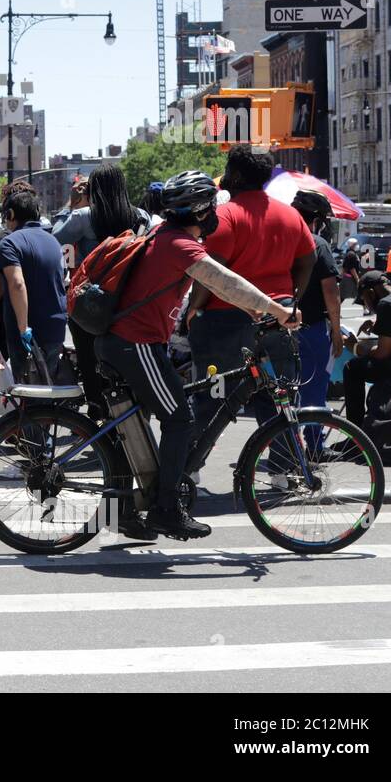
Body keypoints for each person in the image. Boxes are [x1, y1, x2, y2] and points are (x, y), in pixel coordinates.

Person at [98, 171, 299, 541]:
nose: (217, 215)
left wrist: (255, 310)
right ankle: (165, 509)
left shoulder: (165, 235)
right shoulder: (180, 245)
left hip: (131, 342)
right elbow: (224, 281)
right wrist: (276, 309)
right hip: (136, 343)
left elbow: (221, 285)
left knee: (135, 427)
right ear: (201, 210)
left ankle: (126, 511)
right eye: (213, 207)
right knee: (180, 420)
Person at [186, 145, 315, 430]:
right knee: (279, 400)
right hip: (277, 320)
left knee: (212, 398)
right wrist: (291, 301)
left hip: (226, 320)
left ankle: (190, 469)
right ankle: (283, 469)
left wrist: (194, 309)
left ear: (235, 175)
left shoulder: (225, 216)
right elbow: (309, 258)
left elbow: (210, 274)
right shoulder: (291, 215)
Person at [55, 164, 149, 418]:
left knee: (89, 362)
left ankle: (98, 412)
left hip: (90, 305)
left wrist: (71, 204)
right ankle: (127, 416)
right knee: (125, 362)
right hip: (129, 303)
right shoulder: (141, 217)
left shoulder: (83, 217)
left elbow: (53, 242)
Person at [0, 189, 66, 382]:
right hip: (56, 326)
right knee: (47, 388)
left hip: (28, 331)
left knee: (28, 391)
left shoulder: (10, 242)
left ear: (10, 214)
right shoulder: (53, 241)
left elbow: (17, 283)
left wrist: (23, 327)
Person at [289, 191, 344, 429]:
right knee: (313, 390)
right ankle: (314, 447)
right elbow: (331, 292)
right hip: (311, 329)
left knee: (283, 392)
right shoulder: (317, 244)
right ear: (317, 219)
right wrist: (336, 330)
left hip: (277, 328)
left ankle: (282, 447)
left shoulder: (275, 240)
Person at [342, 270, 391, 428]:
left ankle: (355, 435)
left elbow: (382, 354)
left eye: (364, 301)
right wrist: (379, 323)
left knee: (353, 368)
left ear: (371, 293)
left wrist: (355, 347)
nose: (367, 307)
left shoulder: (386, 304)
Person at [341, 237, 362, 302]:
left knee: (344, 295)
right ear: (352, 245)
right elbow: (352, 268)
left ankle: (365, 309)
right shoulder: (351, 254)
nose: (357, 245)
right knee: (344, 295)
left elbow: (344, 266)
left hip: (348, 277)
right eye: (356, 244)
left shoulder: (350, 253)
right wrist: (357, 278)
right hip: (350, 278)